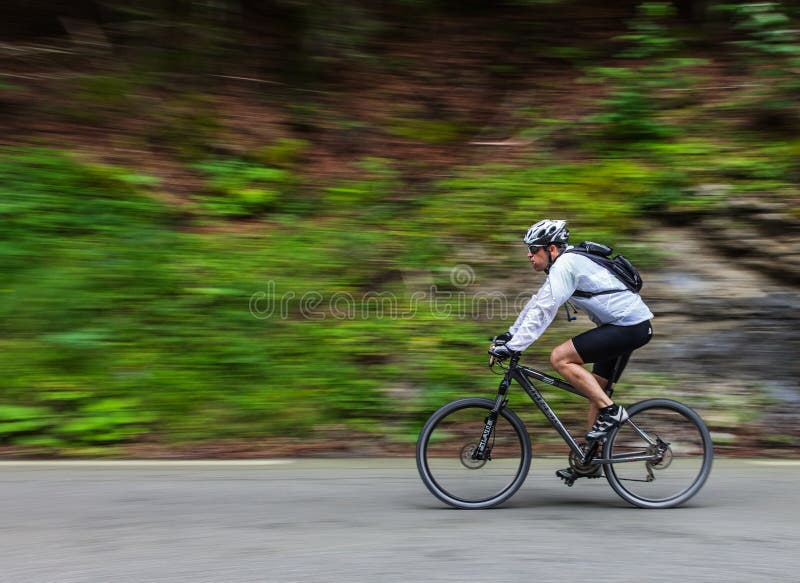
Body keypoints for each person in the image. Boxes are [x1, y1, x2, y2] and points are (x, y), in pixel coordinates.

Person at [489, 219, 654, 483]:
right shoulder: (564, 266)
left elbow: (545, 312)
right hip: (625, 327)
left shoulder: (566, 264)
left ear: (552, 249)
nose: (529, 255)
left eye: (533, 249)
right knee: (596, 391)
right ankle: (590, 461)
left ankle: (612, 412)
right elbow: (537, 304)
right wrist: (510, 335)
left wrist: (513, 347)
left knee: (560, 357)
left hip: (628, 327)